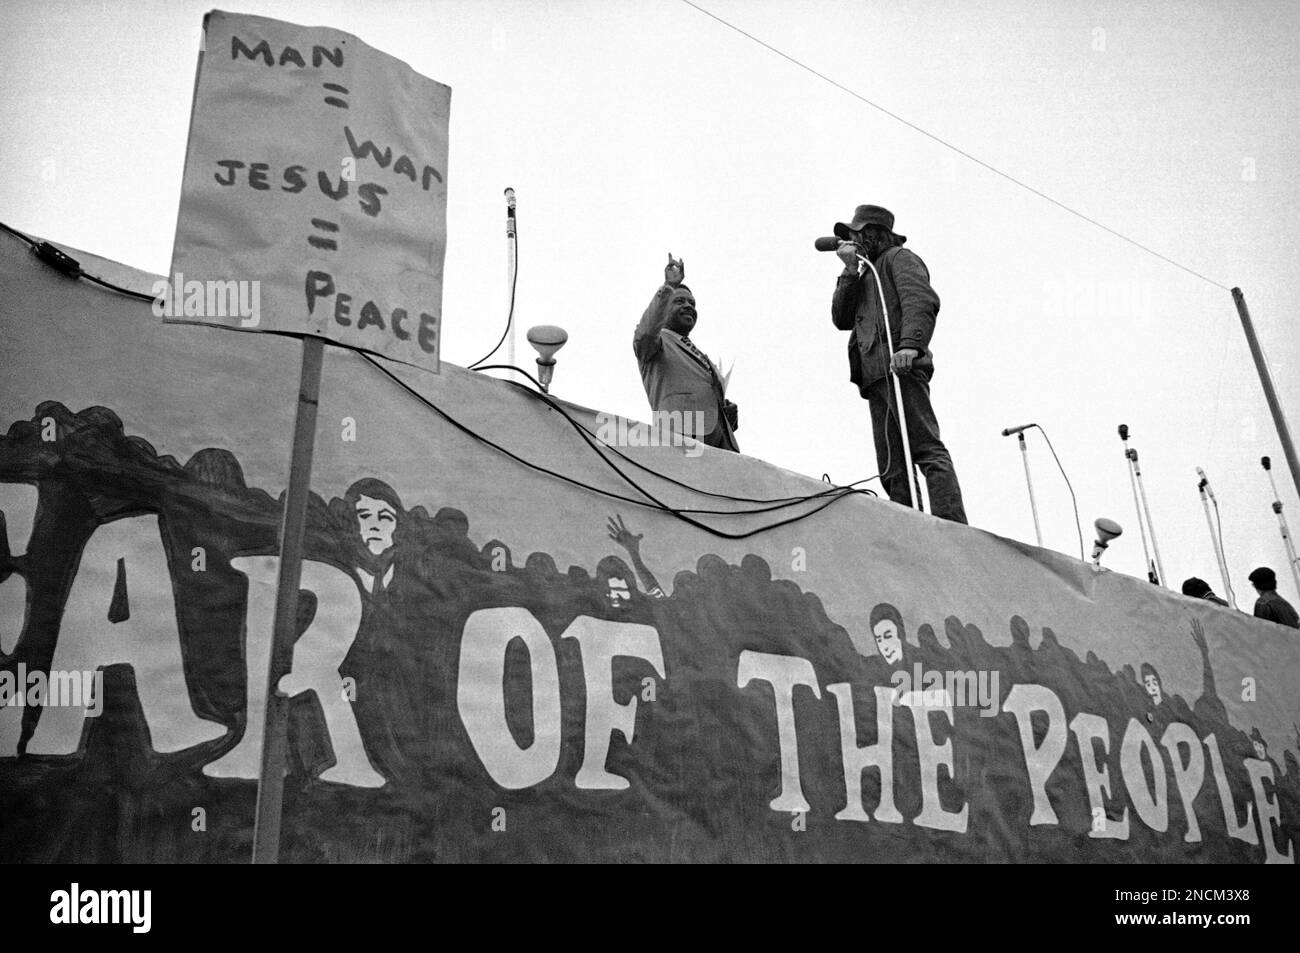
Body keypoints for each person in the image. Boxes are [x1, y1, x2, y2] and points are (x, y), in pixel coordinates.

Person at [829, 205, 966, 523]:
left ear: (874, 234)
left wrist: (910, 346)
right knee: (891, 461)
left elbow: (920, 301)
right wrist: (849, 271)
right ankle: (908, 520)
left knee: (924, 447)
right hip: (874, 374)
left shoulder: (899, 259)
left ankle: (951, 522)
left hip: (899, 365)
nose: (853, 240)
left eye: (857, 234)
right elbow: (841, 318)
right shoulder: (864, 274)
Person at [634, 254, 739, 452]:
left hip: (721, 447)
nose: (688, 306)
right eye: (679, 301)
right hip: (680, 439)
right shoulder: (656, 343)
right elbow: (645, 334)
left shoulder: (700, 355)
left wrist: (724, 415)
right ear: (665, 308)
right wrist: (668, 287)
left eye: (692, 303)